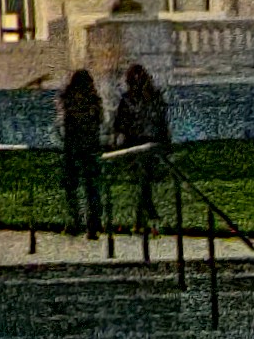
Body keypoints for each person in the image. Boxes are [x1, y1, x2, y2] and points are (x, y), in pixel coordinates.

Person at [114, 60, 173, 231]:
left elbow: (120, 125)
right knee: (144, 181)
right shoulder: (153, 97)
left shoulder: (129, 100)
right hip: (149, 143)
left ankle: (144, 217)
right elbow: (162, 123)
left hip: (137, 143)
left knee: (143, 180)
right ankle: (147, 215)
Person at [56, 66, 108, 234]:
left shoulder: (69, 100)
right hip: (90, 146)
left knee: (72, 186)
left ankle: (75, 220)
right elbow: (100, 120)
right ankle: (94, 222)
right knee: (92, 186)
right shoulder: (93, 101)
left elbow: (64, 125)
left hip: (72, 147)